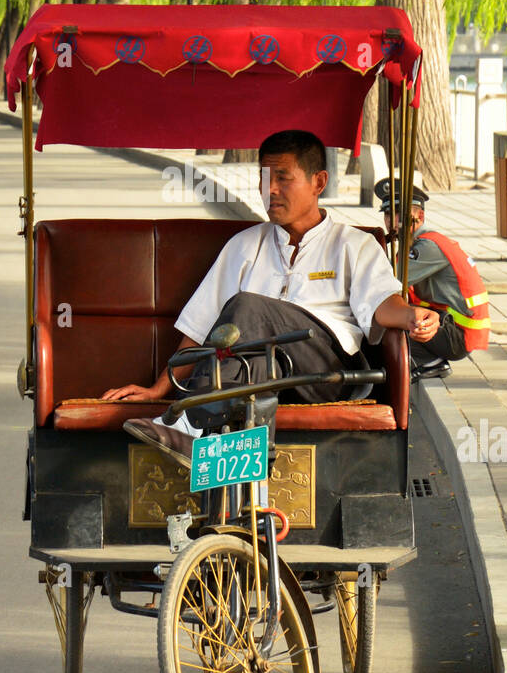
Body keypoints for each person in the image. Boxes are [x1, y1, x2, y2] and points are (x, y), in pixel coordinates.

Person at [102, 130, 441, 469]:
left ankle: (187, 422)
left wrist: (411, 315)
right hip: (268, 371)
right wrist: (159, 388)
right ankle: (241, 504)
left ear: (318, 182)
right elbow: (200, 324)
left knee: (248, 306)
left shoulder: (353, 244)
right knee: (256, 366)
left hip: (326, 372)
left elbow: (383, 301)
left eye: (283, 178)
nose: (271, 190)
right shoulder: (245, 245)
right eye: (264, 178)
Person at [374, 174, 490, 374]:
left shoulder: (427, 247)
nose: (390, 220)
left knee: (389, 321)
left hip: (456, 335)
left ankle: (429, 361)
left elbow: (390, 283)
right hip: (449, 326)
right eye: (387, 214)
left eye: (398, 213)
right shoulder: (417, 243)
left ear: (420, 217)